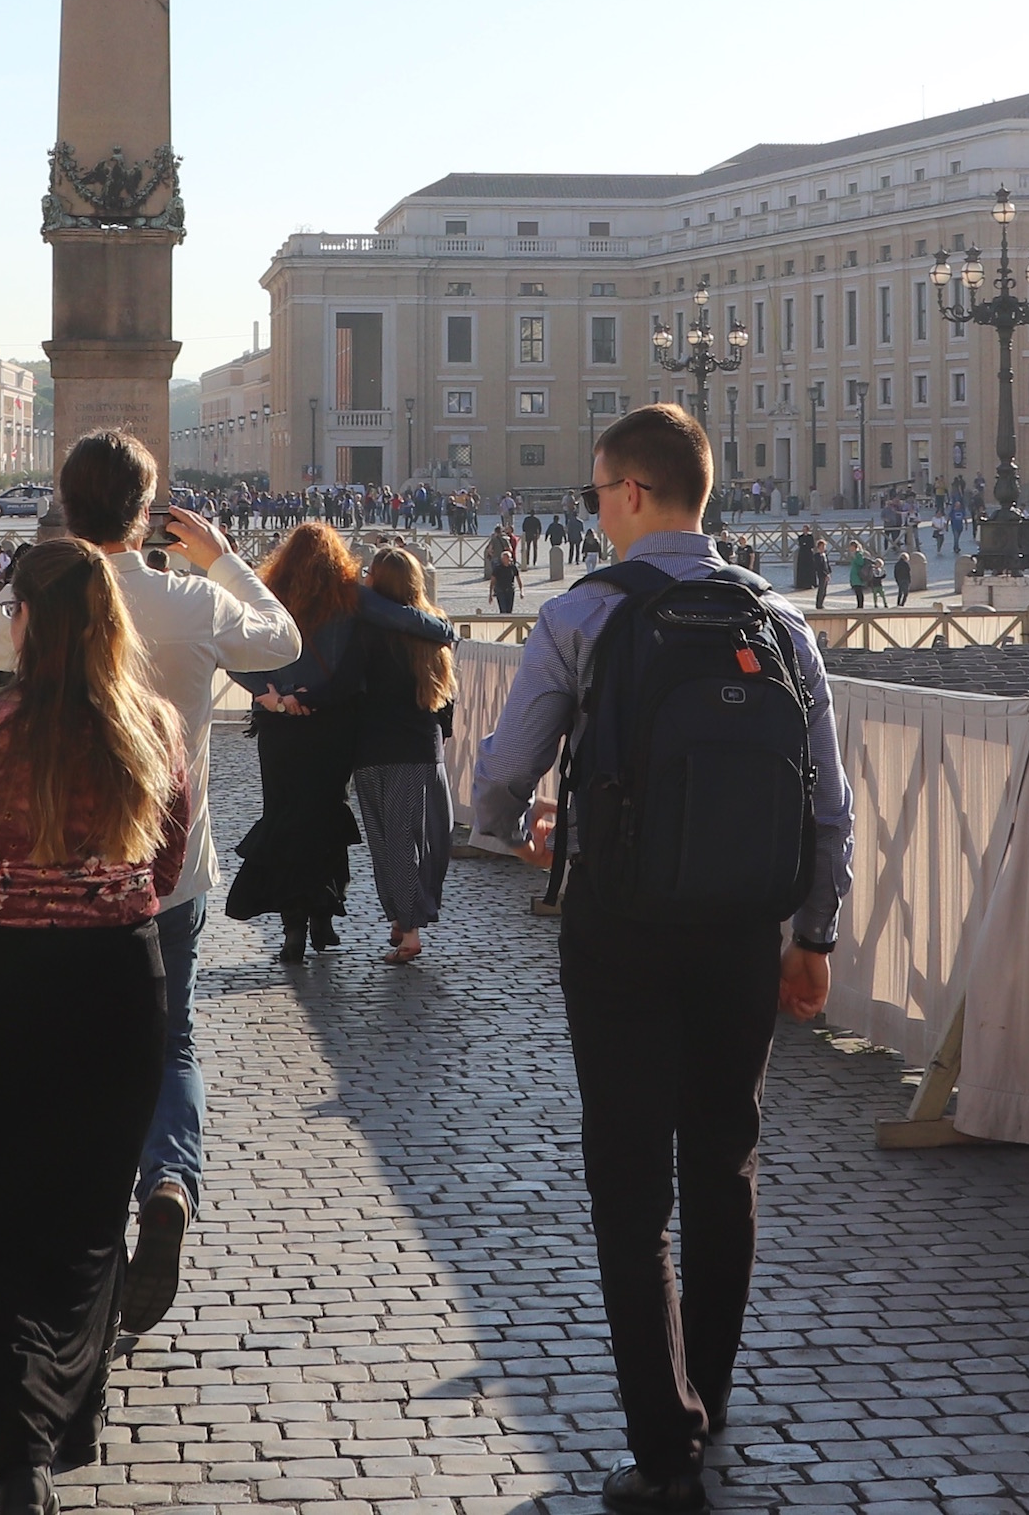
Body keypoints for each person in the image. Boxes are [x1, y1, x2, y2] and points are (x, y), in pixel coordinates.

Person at [467, 405, 849, 1514]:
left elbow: (502, 775)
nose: (596, 512)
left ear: (630, 493)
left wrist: (517, 828)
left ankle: (664, 1446)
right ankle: (709, 1398)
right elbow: (830, 805)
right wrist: (814, 936)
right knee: (725, 1162)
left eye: (597, 493)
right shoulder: (781, 621)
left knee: (630, 1185)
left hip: (621, 926)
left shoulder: (584, 611)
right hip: (742, 932)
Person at [0, 431, 298, 1343]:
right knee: (170, 1039)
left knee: (70, 1059)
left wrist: (35, 566)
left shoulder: (42, 599)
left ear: (66, 506)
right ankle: (170, 1182)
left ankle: (88, 1244)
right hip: (167, 867)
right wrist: (221, 559)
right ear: (147, 511)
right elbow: (283, 640)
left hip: (52, 872)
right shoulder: (193, 599)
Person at [0, 547, 194, 1515]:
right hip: (114, 982)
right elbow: (166, 867)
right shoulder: (153, 725)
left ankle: (21, 1450)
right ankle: (72, 1413)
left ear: (26, 620)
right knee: (86, 1214)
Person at [284, 544, 460, 965]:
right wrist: (442, 737)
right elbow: (447, 696)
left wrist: (301, 698)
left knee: (390, 842)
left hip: (377, 749)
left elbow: (343, 684)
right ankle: (405, 918)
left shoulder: (368, 631)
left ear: (377, 582)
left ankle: (409, 929)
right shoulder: (433, 626)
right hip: (424, 746)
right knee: (424, 840)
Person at [226, 523, 368, 962]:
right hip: (332, 724)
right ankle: (324, 910)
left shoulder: (268, 599)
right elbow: (355, 671)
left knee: (285, 816)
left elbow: (232, 652)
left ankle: (293, 926)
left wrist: (268, 695)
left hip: (279, 726)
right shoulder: (350, 601)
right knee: (327, 816)